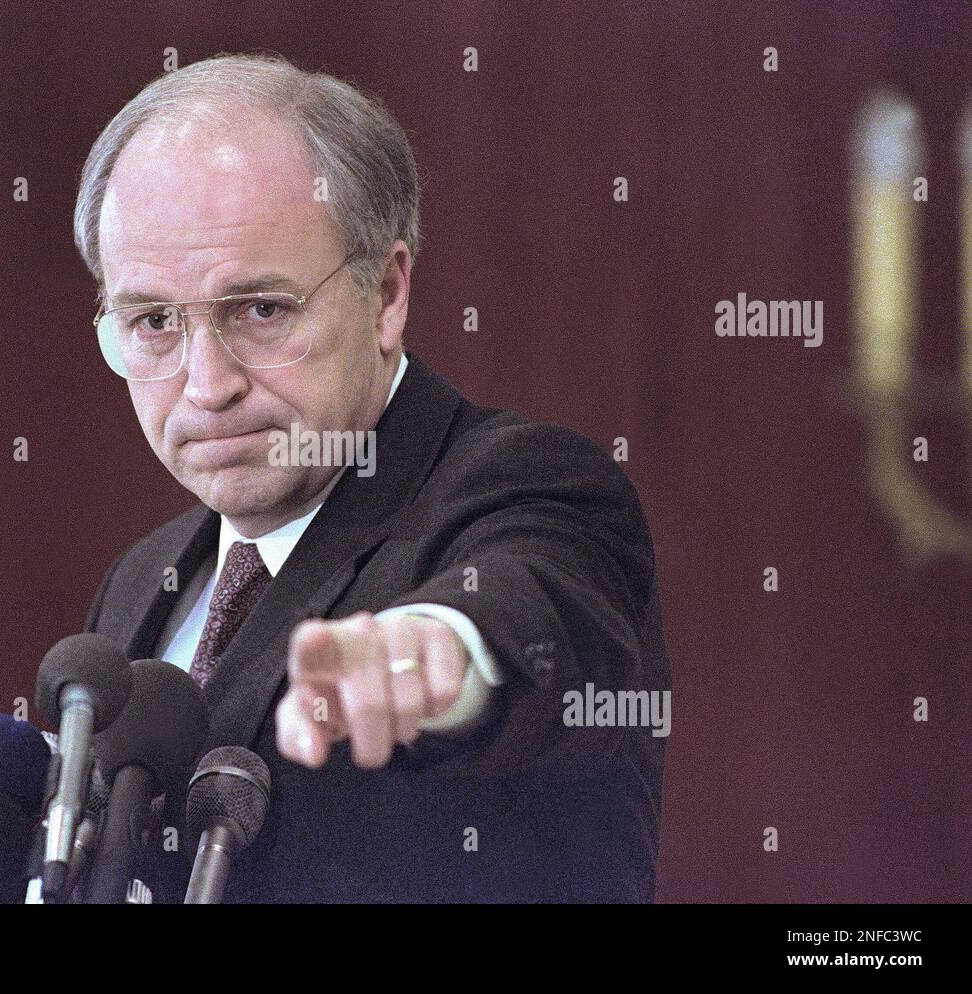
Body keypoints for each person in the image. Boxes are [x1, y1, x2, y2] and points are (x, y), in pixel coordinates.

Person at [74, 52, 669, 902]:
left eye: (261, 310)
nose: (206, 384)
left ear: (386, 293)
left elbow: (540, 616)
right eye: (154, 321)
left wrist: (444, 656)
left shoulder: (527, 486)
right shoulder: (142, 579)